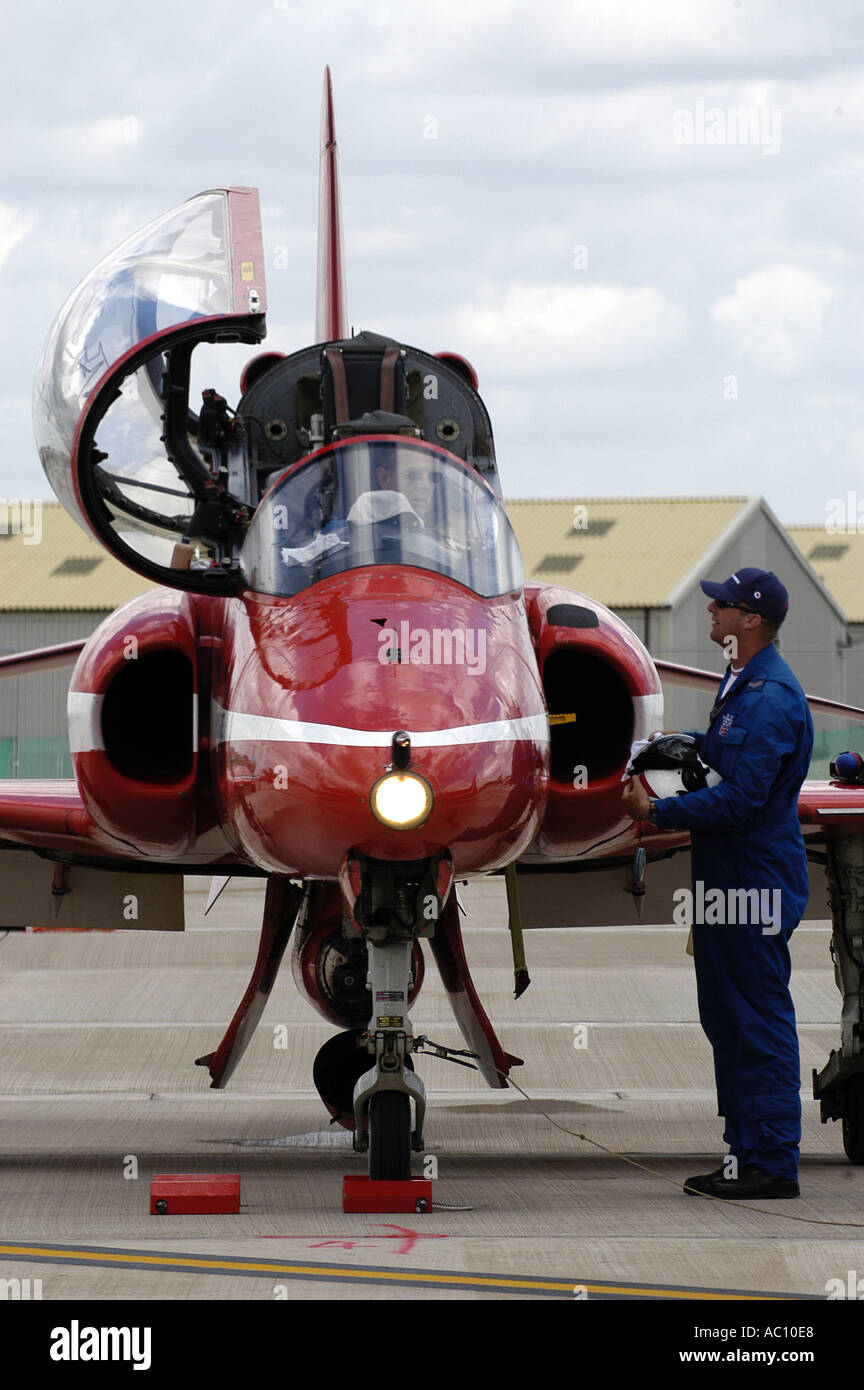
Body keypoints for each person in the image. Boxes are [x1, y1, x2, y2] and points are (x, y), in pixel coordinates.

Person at [622, 568, 814, 1199]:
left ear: (750, 620)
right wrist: (676, 744)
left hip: (752, 883)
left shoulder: (769, 698)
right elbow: (726, 757)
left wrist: (659, 812)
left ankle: (773, 1162)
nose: (710, 609)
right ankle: (743, 1152)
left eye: (722, 605)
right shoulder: (743, 685)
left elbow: (742, 799)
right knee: (727, 1020)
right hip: (728, 881)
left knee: (755, 1021)